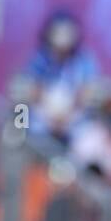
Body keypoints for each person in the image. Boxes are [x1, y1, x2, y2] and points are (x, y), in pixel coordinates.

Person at [22, 11, 99, 147]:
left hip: (73, 120)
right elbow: (34, 92)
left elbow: (84, 95)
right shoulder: (40, 58)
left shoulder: (83, 60)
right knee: (28, 128)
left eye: (67, 33)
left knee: (88, 138)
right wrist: (50, 118)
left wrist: (66, 119)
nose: (63, 38)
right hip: (44, 118)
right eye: (59, 33)